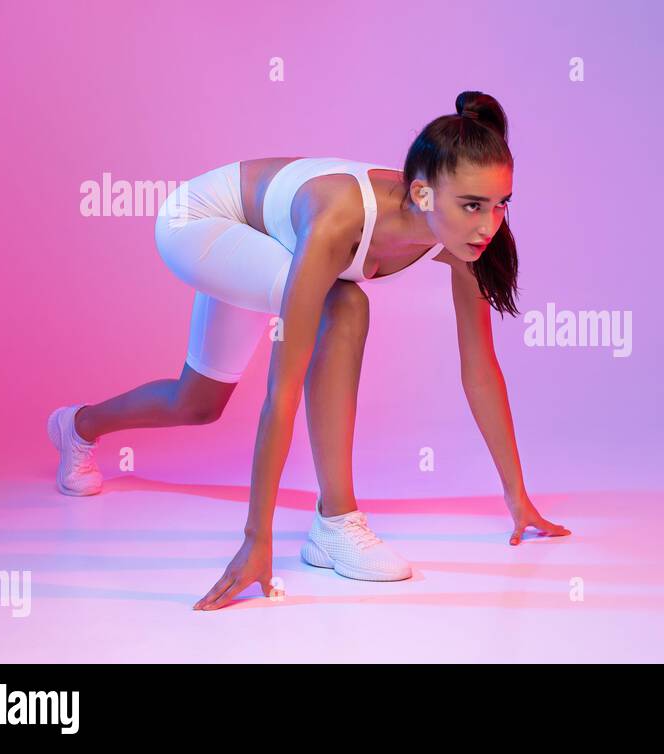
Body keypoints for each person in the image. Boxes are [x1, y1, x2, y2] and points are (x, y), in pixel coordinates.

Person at [46, 91, 570, 611]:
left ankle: (77, 426)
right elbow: (283, 389)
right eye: (473, 206)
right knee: (343, 306)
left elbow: (479, 369)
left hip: (266, 235)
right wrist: (257, 538)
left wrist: (517, 497)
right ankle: (336, 523)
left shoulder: (465, 243)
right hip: (201, 223)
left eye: (501, 204)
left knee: (198, 403)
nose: (489, 224)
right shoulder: (339, 220)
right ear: (424, 194)